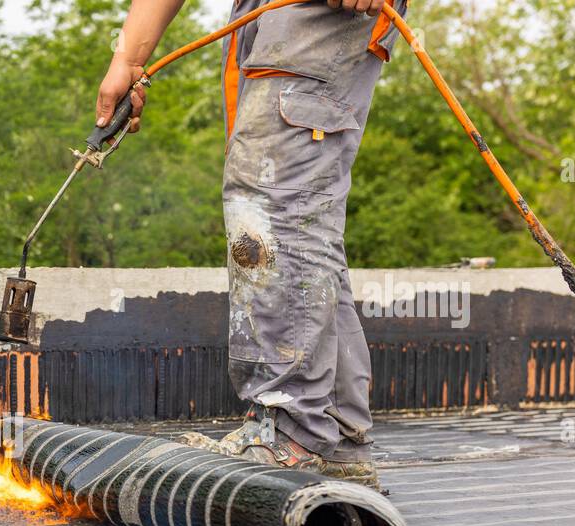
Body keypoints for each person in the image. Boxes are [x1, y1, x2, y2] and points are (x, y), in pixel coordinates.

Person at [95, 0, 408, 491]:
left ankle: (293, 433)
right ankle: (333, 434)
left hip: (312, 15)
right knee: (299, 218)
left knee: (270, 212)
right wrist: (127, 59)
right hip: (266, 19)